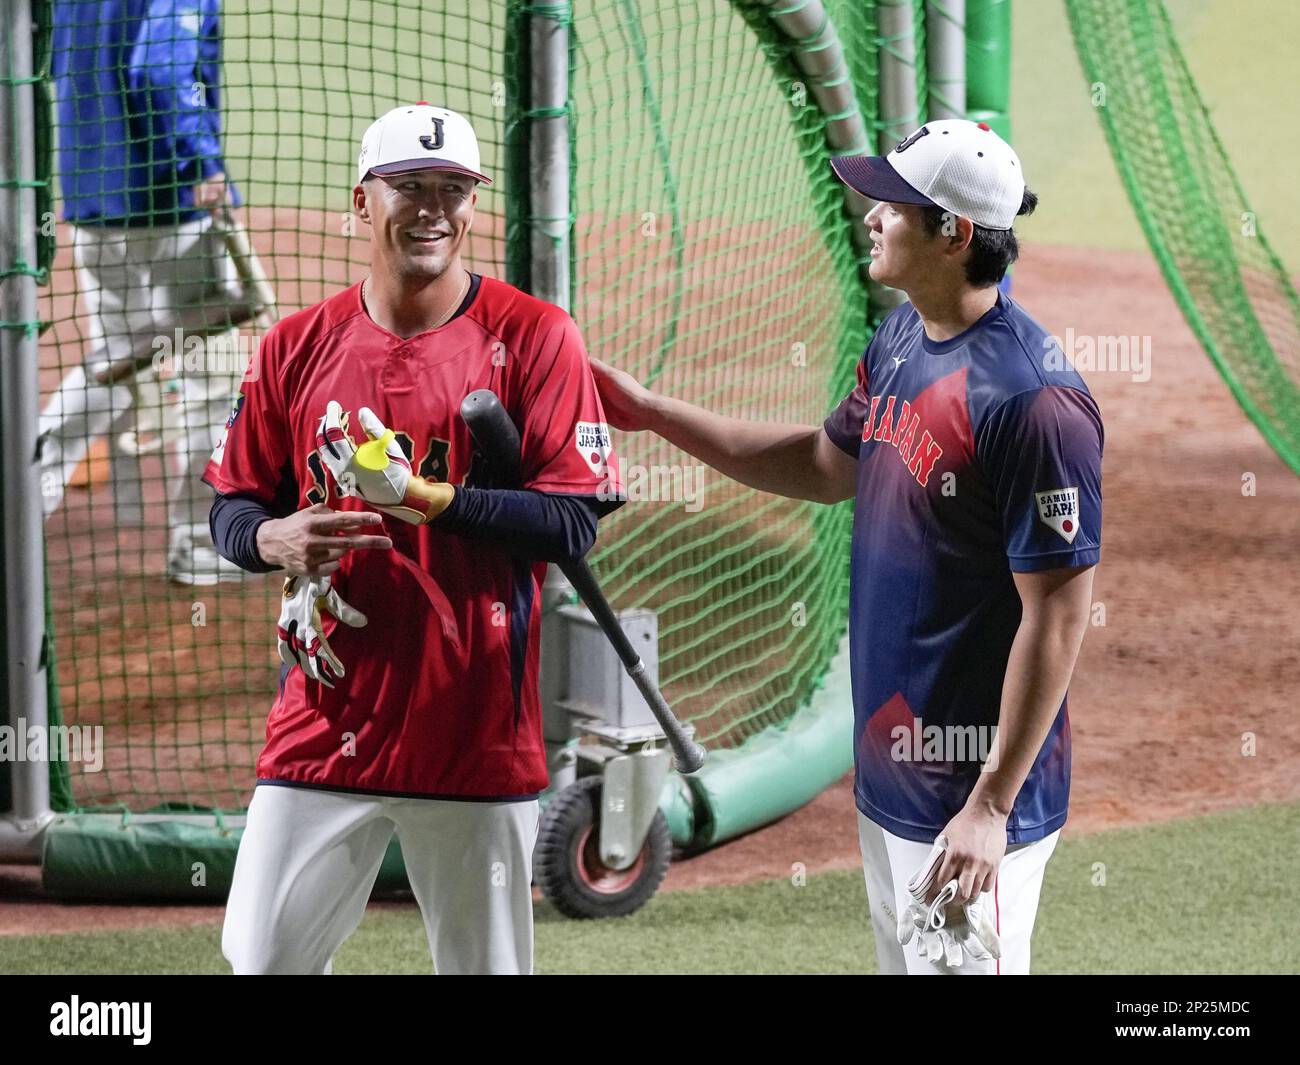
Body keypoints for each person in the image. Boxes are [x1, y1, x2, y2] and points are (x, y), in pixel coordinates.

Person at [591, 120, 1102, 975]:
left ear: (954, 233)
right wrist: (653, 414)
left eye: (893, 203)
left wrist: (989, 806)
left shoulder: (1034, 402)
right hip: (892, 768)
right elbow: (827, 465)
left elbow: (1057, 616)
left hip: (968, 799)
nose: (870, 214)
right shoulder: (902, 337)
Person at [204, 103, 624, 974]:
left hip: (472, 726)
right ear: (363, 202)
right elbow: (233, 506)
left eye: (452, 190)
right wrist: (274, 537)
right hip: (323, 717)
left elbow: (570, 519)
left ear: (472, 207)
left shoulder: (536, 337)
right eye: (409, 187)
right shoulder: (294, 347)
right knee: (260, 957)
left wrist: (430, 498)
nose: (432, 208)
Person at [45, 0, 249, 584]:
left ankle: (23, 506)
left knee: (113, 365)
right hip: (166, 206)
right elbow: (160, 70)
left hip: (90, 204)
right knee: (209, 376)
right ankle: (203, 548)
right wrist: (203, 162)